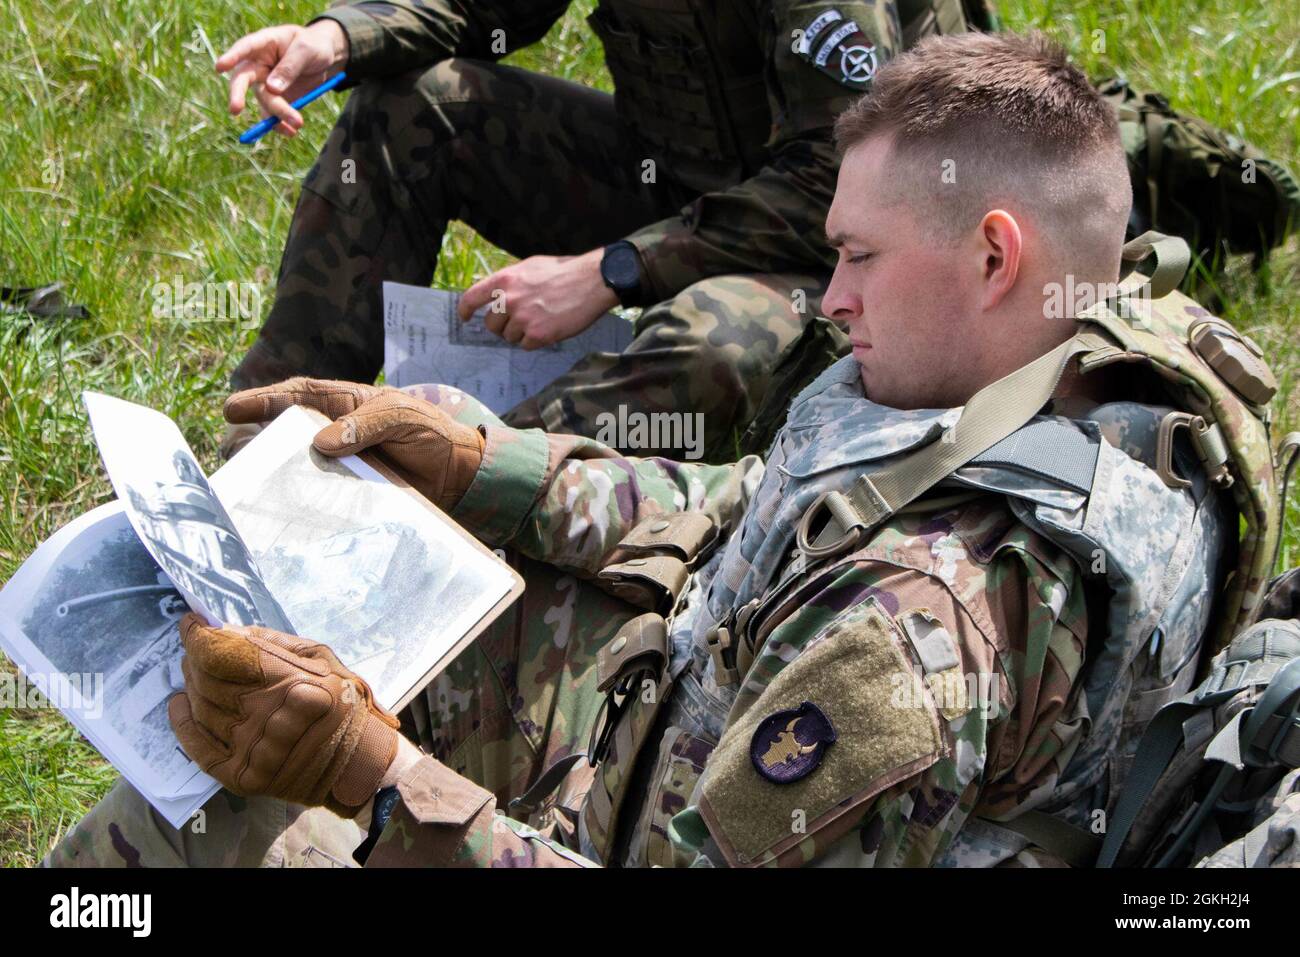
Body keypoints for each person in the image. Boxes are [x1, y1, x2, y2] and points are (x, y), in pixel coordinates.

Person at [46, 31, 1240, 868]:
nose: (830, 299)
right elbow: (764, 505)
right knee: (380, 592)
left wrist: (372, 777)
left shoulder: (908, 639)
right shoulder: (1072, 369)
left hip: (689, 806)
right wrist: (488, 465)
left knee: (210, 817)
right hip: (695, 717)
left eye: (858, 258)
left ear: (992, 255)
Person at [217, 0, 985, 461]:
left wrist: (610, 271)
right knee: (412, 110)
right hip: (680, 183)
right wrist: (341, 37)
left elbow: (838, 181)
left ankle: (451, 485)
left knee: (704, 347)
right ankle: (266, 446)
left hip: (850, 243)